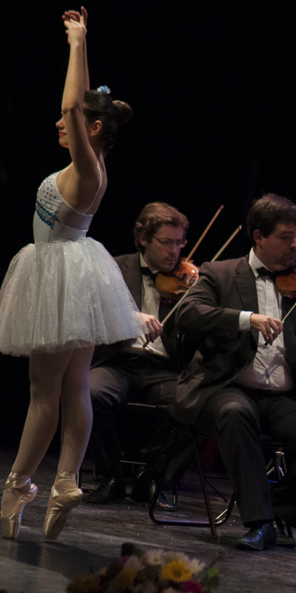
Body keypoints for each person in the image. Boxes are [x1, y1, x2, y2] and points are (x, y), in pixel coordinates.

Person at [0, 7, 142, 540]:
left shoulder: (86, 167)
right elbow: (77, 107)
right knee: (74, 385)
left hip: (58, 275)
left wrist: (77, 42)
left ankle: (17, 483)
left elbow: (72, 102)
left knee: (43, 396)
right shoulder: (95, 170)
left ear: (91, 130)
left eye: (70, 123)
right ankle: (67, 479)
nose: (59, 123)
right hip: (76, 272)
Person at [174, 194, 296, 551]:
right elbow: (188, 314)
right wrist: (247, 320)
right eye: (284, 236)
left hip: (281, 398)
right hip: (228, 386)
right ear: (259, 237)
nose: (294, 245)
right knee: (235, 413)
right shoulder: (219, 273)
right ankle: (260, 522)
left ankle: (279, 510)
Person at [85, 202, 190, 504]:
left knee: (198, 403)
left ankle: (154, 476)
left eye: (179, 242)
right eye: (166, 242)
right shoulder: (116, 268)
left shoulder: (191, 282)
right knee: (88, 392)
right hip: (119, 362)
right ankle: (111, 476)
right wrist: (129, 317)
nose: (175, 251)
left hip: (164, 368)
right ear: (144, 239)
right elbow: (91, 311)